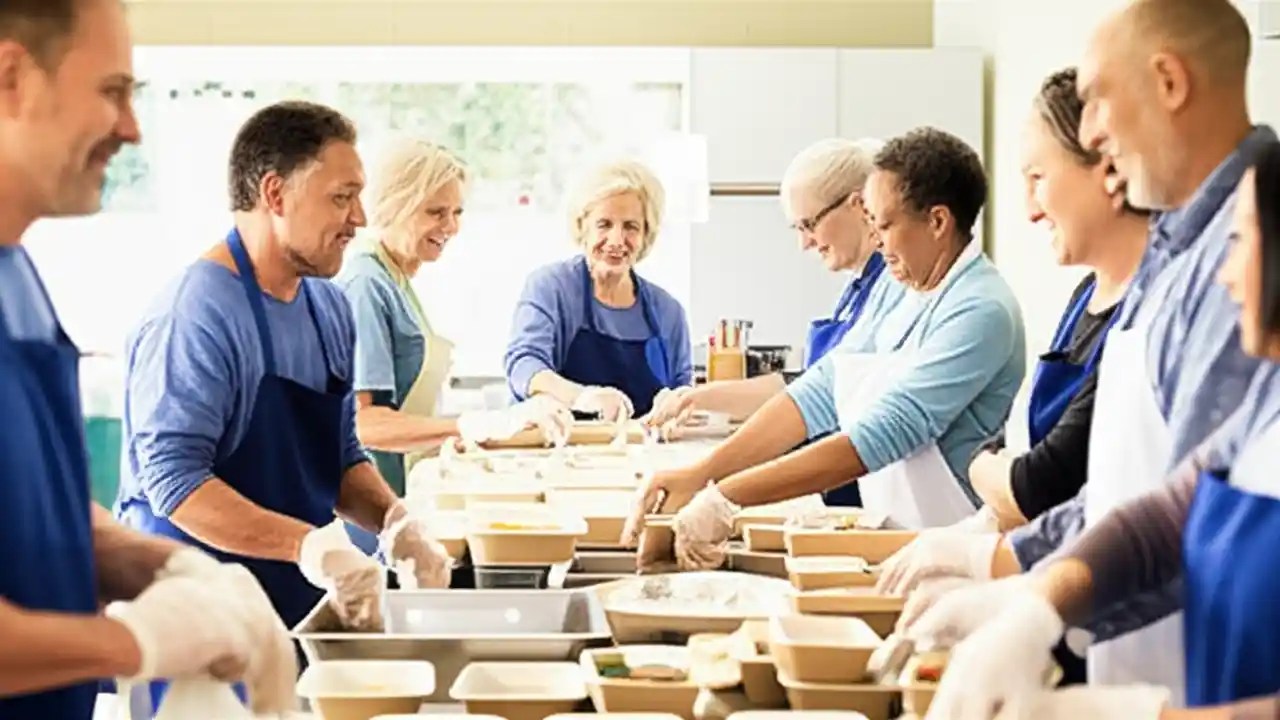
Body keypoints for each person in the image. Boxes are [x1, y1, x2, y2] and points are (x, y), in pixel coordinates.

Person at [888, 0, 1274, 710]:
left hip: (1182, 677)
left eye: (1098, 98)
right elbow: (1156, 510)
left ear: (1169, 82)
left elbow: (1189, 534)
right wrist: (1031, 595)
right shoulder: (1176, 252)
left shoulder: (1228, 246)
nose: (1092, 132)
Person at [0, 1, 293, 717]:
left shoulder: (18, 275)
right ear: (12, 78)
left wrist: (168, 566)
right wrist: (134, 644)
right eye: (113, 91)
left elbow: (36, 506)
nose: (131, 129)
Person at [115, 102, 453, 664]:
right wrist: (309, 546)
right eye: (342, 198)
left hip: (292, 601)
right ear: (275, 194)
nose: (360, 218)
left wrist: (396, 523)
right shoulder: (194, 317)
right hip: (197, 618)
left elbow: (339, 456)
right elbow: (175, 483)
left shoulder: (328, 306)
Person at [623, 127, 1026, 569]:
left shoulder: (981, 310)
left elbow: (886, 433)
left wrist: (725, 497)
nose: (878, 241)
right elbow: (820, 391)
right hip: (893, 536)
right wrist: (702, 475)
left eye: (885, 225)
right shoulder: (904, 286)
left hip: (951, 547)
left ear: (937, 222)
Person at [879, 66, 1147, 582]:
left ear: (1107, 166)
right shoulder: (1084, 296)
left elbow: (1039, 485)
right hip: (1034, 567)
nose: (1029, 211)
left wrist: (993, 478)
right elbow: (1007, 453)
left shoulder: (1146, 312)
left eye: (1037, 178)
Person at [336, 137, 572, 500]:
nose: (450, 226)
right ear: (396, 205)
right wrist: (471, 425)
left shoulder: (396, 279)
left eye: (457, 212)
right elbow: (364, 423)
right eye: (436, 212)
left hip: (400, 489)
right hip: (371, 499)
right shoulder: (366, 286)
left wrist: (495, 427)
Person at [643, 138, 892, 451]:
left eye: (810, 224)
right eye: (798, 229)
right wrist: (697, 398)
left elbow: (823, 397)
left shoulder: (892, 287)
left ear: (858, 206)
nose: (805, 243)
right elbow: (806, 385)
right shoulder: (858, 290)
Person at [504, 159, 693, 420]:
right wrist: (581, 397)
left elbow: (684, 390)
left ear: (646, 235)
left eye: (631, 227)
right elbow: (524, 365)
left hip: (642, 445)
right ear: (583, 227)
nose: (616, 240)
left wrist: (678, 405)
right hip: (557, 443)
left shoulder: (668, 312)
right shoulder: (551, 287)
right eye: (604, 224)